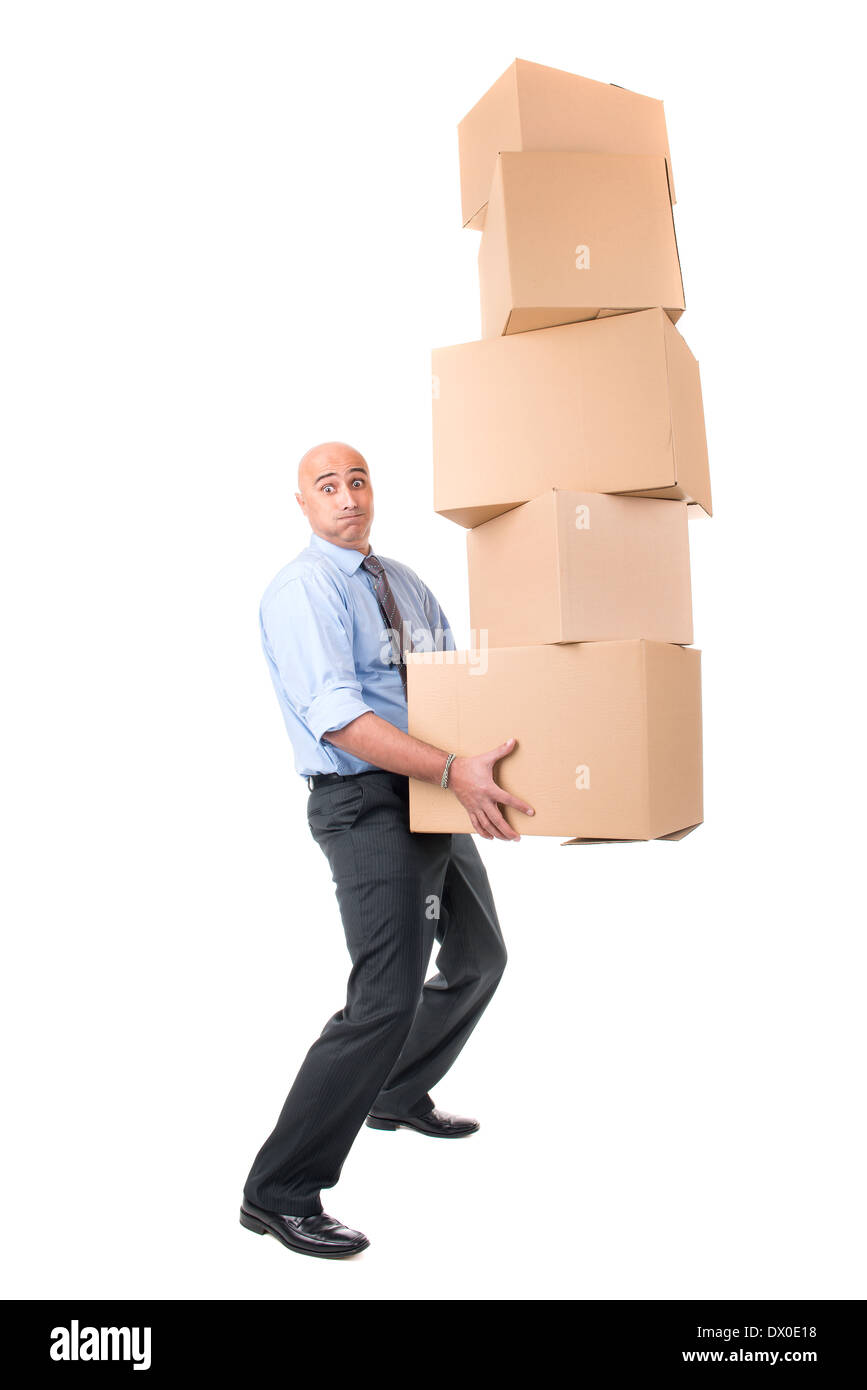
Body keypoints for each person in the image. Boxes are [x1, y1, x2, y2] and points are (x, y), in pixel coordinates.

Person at [239, 441, 534, 1259]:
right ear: (301, 502)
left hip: (433, 787)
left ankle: (397, 1090)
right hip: (365, 801)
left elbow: (457, 676)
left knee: (478, 957)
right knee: (382, 1000)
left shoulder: (400, 580)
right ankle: (279, 1190)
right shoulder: (301, 591)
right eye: (325, 485)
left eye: (358, 480)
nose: (346, 496)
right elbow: (338, 719)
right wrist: (449, 768)